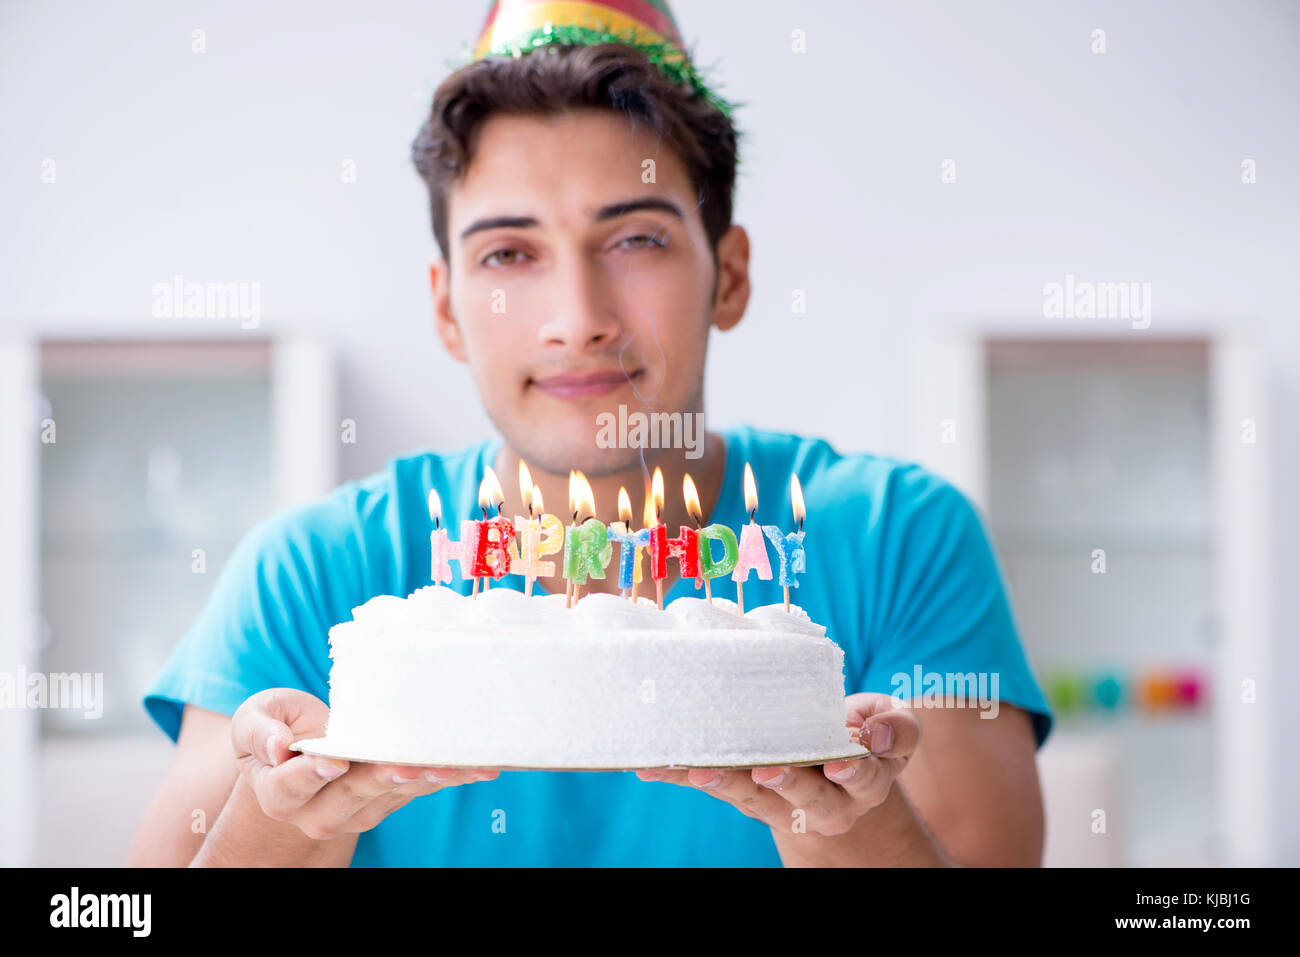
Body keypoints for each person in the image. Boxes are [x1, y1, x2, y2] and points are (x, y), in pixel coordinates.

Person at [128, 0, 1052, 867]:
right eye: (508, 253)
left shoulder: (897, 537)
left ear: (728, 275)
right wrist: (279, 823)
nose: (577, 318)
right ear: (446, 307)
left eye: (635, 239)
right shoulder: (313, 574)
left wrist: (854, 825)